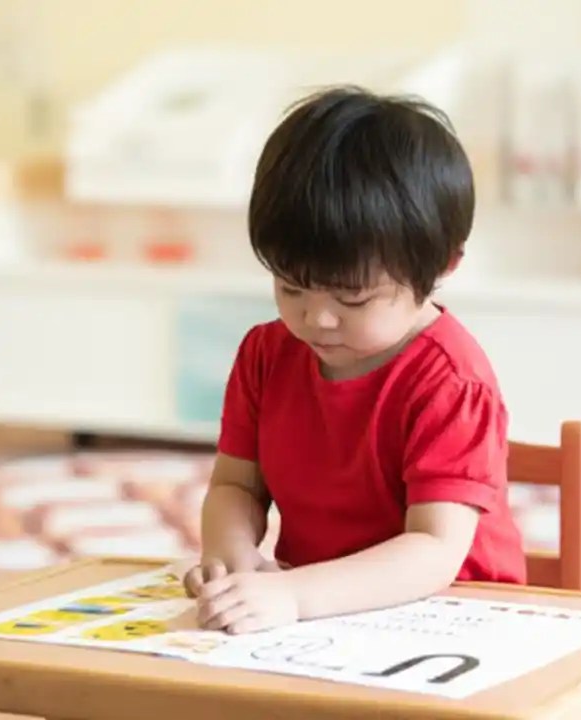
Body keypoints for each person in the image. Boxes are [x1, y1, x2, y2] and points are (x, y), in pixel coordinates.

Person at [181, 86, 525, 635]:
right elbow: (236, 487)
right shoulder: (266, 355)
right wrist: (233, 557)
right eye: (292, 287)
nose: (317, 319)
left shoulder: (451, 382)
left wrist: (291, 594)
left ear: (444, 264)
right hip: (323, 614)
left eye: (353, 298)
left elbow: (434, 549)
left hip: (454, 618)